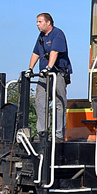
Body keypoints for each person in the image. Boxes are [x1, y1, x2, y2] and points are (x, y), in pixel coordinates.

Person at [27, 12, 72, 140]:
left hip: (57, 73)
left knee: (59, 102)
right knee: (40, 101)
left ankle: (58, 134)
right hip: (44, 74)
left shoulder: (58, 34)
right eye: (37, 22)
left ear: (48, 23)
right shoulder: (41, 36)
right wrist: (30, 69)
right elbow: (36, 52)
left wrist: (49, 67)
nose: (37, 24)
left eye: (39, 22)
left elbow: (55, 51)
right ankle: (42, 132)